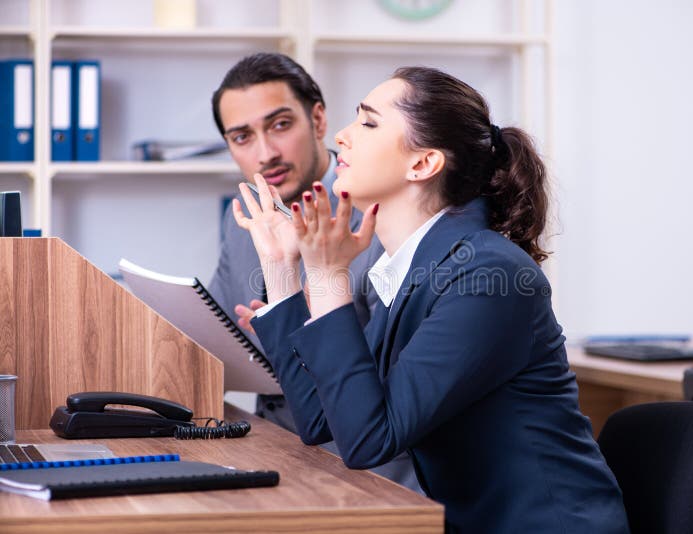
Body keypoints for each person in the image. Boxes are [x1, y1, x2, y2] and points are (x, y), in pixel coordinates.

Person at [233, 66, 630, 533]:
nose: (342, 136)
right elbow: (322, 420)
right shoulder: (416, 271)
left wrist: (327, 276)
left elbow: (368, 442)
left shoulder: (485, 275)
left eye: (368, 122)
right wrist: (282, 270)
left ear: (422, 164)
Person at [207, 53, 417, 492]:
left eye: (281, 125)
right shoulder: (244, 217)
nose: (266, 153)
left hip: (369, 466)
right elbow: (219, 333)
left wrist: (296, 321)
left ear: (318, 119)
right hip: (276, 446)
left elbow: (400, 375)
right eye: (242, 137)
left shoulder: (382, 209)